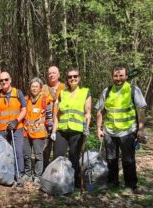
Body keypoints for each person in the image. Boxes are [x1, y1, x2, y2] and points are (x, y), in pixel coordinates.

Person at [96, 65, 147, 194]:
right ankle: (113, 183)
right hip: (110, 132)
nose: (118, 78)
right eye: (116, 76)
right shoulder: (107, 91)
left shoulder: (133, 90)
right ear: (112, 76)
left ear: (126, 76)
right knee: (111, 159)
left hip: (128, 131)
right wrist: (98, 128)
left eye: (121, 75)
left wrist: (140, 129)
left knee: (128, 160)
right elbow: (99, 111)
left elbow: (140, 110)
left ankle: (131, 185)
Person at [52, 69, 91, 188]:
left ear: (79, 78)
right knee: (58, 156)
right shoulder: (62, 93)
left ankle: (75, 182)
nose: (72, 78)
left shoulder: (85, 92)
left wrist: (86, 128)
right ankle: (59, 181)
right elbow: (57, 115)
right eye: (70, 77)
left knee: (74, 157)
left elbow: (87, 113)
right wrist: (54, 130)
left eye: (75, 76)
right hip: (62, 130)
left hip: (77, 130)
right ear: (67, 79)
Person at [0, 71, 26, 181]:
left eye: (6, 79)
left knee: (18, 152)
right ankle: (5, 173)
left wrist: (16, 121)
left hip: (17, 128)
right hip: (2, 129)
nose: (4, 82)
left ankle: (19, 174)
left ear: (10, 80)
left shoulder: (18, 93)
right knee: (3, 153)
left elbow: (24, 109)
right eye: (1, 80)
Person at [23, 78, 53, 184]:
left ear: (40, 88)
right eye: (32, 86)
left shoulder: (45, 100)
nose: (34, 88)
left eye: (36, 86)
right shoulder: (26, 99)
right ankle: (27, 174)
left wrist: (50, 132)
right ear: (30, 88)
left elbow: (49, 117)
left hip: (39, 133)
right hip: (26, 132)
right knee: (26, 154)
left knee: (38, 155)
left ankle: (37, 176)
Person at [43, 66, 66, 168]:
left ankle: (57, 170)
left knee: (58, 150)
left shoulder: (65, 88)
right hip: (45, 124)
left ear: (59, 74)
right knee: (45, 149)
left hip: (60, 124)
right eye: (49, 73)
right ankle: (44, 170)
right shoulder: (43, 88)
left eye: (54, 73)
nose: (51, 75)